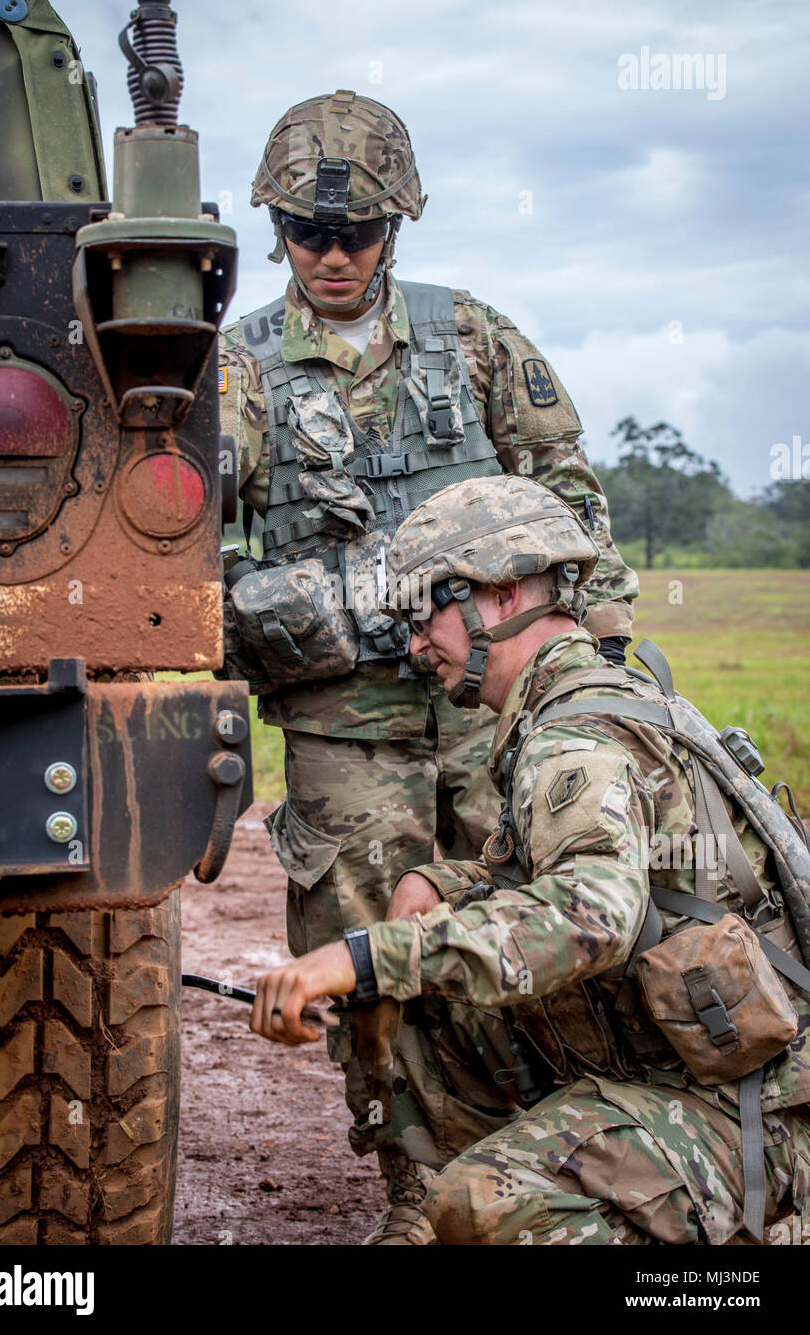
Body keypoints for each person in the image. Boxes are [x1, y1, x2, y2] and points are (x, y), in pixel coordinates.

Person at [220, 90, 639, 1242]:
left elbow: (572, 499)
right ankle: (418, 1194)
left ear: (397, 227)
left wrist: (601, 669)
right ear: (277, 228)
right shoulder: (239, 369)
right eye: (309, 230)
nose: (334, 252)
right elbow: (176, 553)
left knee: (532, 925)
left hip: (487, 707)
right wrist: (288, 611)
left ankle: (550, 1178)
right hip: (347, 727)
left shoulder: (476, 336)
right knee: (365, 958)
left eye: (357, 232)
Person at [249, 475, 810, 1246]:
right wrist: (437, 883)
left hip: (748, 1106)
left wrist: (372, 955)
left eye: (425, 612)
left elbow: (593, 918)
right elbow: (560, 879)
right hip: (682, 1058)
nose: (414, 646)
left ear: (502, 596)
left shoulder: (573, 739)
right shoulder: (575, 702)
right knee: (420, 998)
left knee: (481, 1211)